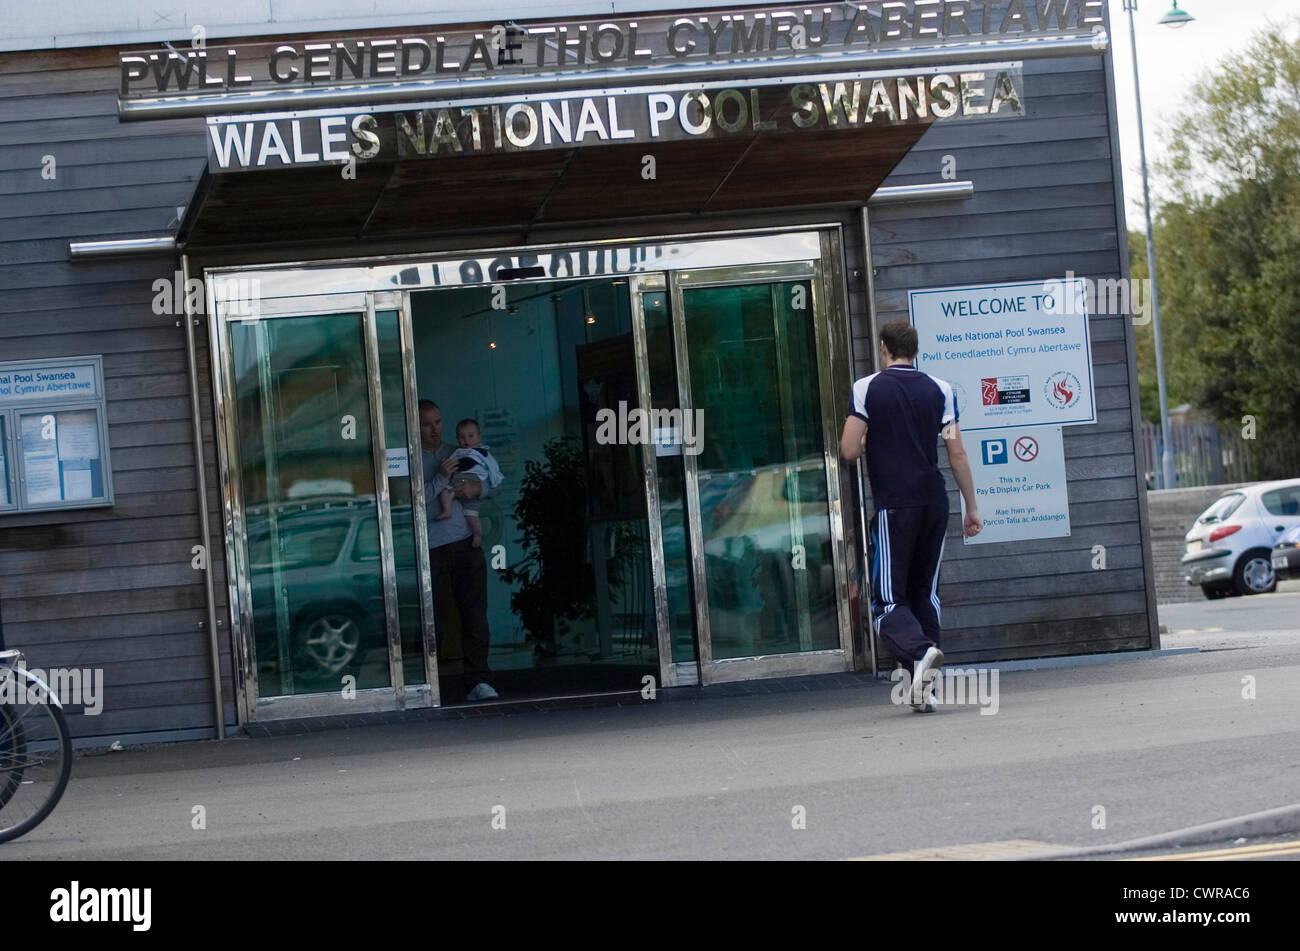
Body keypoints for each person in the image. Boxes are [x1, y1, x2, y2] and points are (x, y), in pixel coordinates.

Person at [839, 319, 983, 713]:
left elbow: (849, 449)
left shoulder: (867, 388)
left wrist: (871, 438)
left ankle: (921, 653)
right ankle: (924, 688)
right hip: (935, 503)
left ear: (884, 347)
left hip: (895, 506)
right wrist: (972, 507)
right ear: (915, 350)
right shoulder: (941, 389)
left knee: (888, 601)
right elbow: (957, 453)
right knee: (924, 594)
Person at [420, 399, 499, 702]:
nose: (434, 429)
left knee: (475, 615)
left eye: (438, 422)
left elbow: (491, 482)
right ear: (416, 426)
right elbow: (414, 500)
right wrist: (441, 477)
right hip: (431, 548)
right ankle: (430, 684)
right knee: (436, 619)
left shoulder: (459, 450)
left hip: (465, 543)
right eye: (427, 424)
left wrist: (478, 490)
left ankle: (479, 680)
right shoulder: (412, 459)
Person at [434, 419, 503, 550]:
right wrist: (445, 464)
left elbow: (493, 470)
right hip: (455, 484)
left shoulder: (482, 452)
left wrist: (481, 487)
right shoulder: (458, 452)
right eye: (461, 437)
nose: (466, 440)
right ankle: (447, 510)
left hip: (474, 482)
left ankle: (477, 534)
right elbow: (451, 462)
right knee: (445, 492)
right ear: (457, 438)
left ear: (479, 436)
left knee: (472, 515)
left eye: (470, 436)